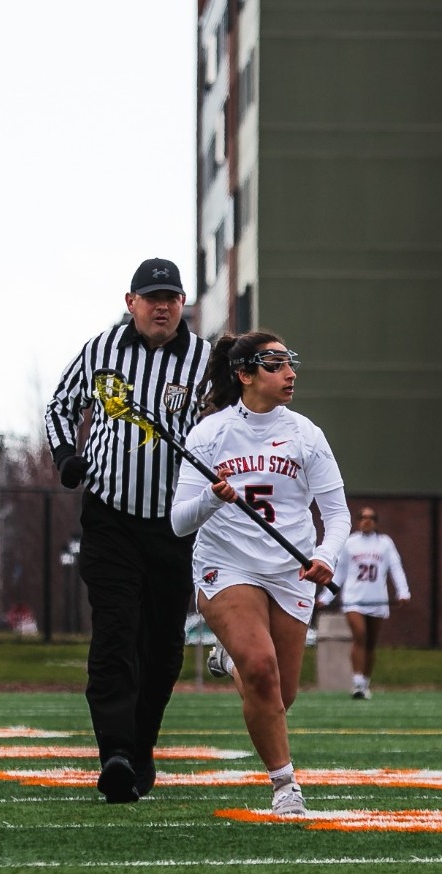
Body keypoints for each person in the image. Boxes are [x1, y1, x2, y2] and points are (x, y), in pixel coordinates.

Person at [43, 258, 211, 802]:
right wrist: (68, 455)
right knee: (116, 633)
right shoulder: (101, 351)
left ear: (183, 303)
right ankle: (114, 752)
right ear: (130, 301)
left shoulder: (206, 361)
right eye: (151, 297)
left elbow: (233, 422)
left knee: (162, 649)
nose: (162, 306)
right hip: (111, 517)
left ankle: (140, 748)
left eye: (172, 297)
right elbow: (59, 407)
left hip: (176, 526)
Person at [171, 331, 349, 816]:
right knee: (262, 669)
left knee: (279, 695)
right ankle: (285, 786)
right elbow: (179, 519)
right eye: (274, 364)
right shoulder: (210, 433)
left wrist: (327, 556)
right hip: (225, 565)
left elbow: (337, 513)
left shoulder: (306, 434)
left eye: (290, 362)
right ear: (245, 374)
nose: (289, 373)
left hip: (289, 571)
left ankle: (228, 660)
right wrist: (213, 497)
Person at [334, 507, 411, 699]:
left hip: (377, 598)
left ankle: (365, 683)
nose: (366, 521)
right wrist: (325, 596)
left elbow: (395, 567)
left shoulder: (385, 543)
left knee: (370, 643)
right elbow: (340, 572)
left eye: (370, 518)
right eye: (362, 518)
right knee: (360, 636)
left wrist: (403, 591)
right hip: (353, 599)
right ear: (358, 521)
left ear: (376, 521)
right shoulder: (350, 543)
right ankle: (357, 682)